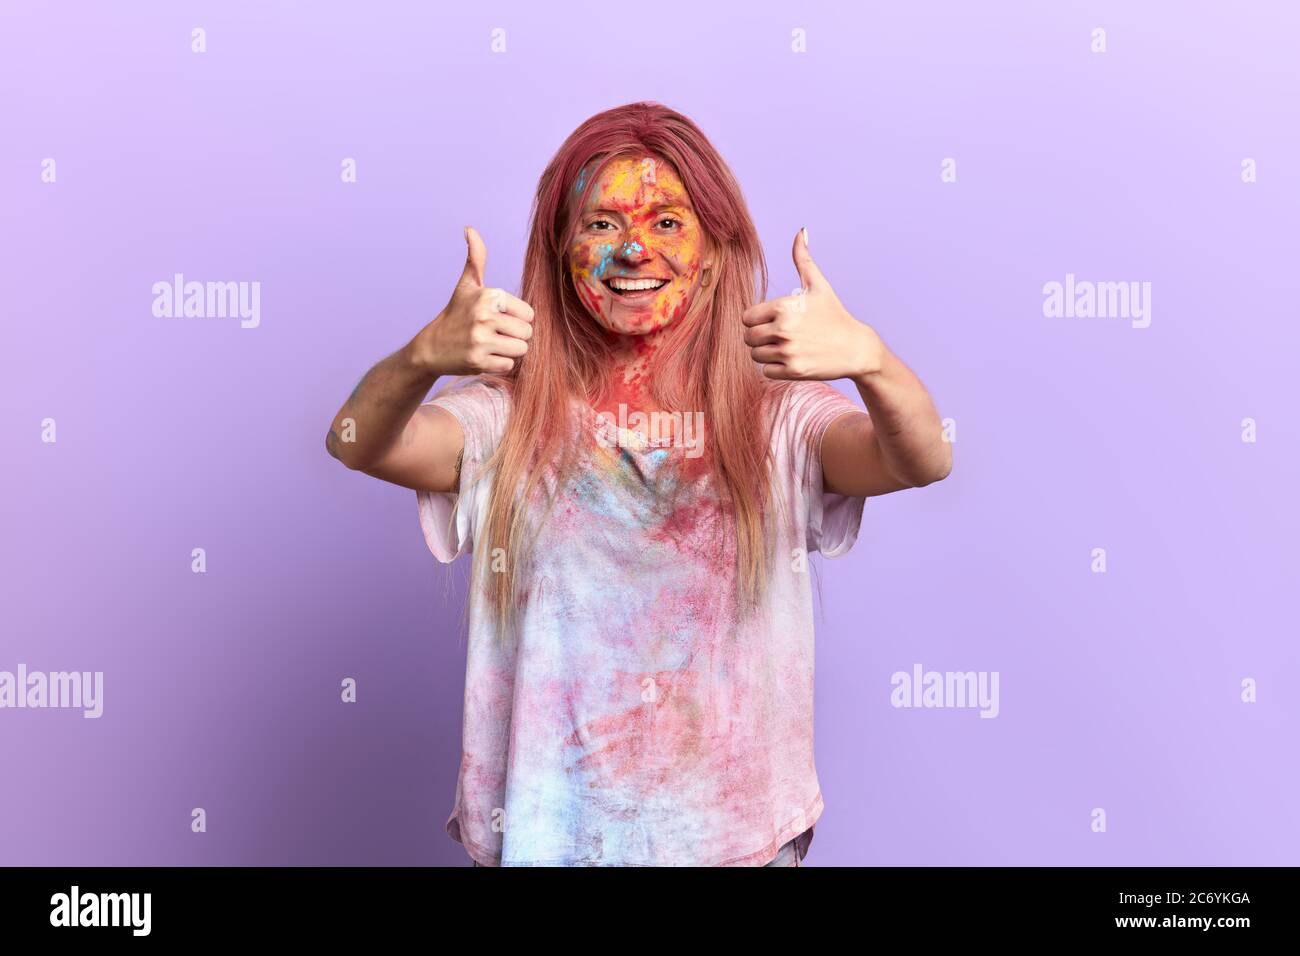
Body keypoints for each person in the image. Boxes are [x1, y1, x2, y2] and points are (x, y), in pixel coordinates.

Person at [326, 102, 951, 867]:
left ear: (716, 252)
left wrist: (871, 360)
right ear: (560, 250)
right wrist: (424, 355)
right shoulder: (507, 417)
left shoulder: (775, 418)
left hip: (737, 845)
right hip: (547, 840)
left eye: (665, 223)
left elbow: (921, 459)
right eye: (599, 225)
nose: (631, 251)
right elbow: (354, 442)